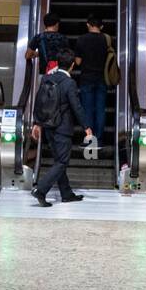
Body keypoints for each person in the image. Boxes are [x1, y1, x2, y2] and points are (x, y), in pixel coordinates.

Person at [30, 47, 92, 207]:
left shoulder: (46, 78)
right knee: (62, 161)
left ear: (57, 63)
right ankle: (41, 190)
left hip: (48, 126)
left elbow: (39, 103)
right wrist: (86, 126)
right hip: (62, 128)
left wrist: (37, 123)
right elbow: (76, 106)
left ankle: (66, 193)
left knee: (59, 160)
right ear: (72, 65)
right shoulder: (69, 83)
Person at [74, 16, 111, 147]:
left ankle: (90, 140)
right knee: (100, 109)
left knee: (87, 109)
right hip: (102, 78)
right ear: (101, 27)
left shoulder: (82, 39)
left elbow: (77, 61)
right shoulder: (106, 39)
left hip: (87, 78)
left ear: (88, 25)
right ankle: (99, 140)